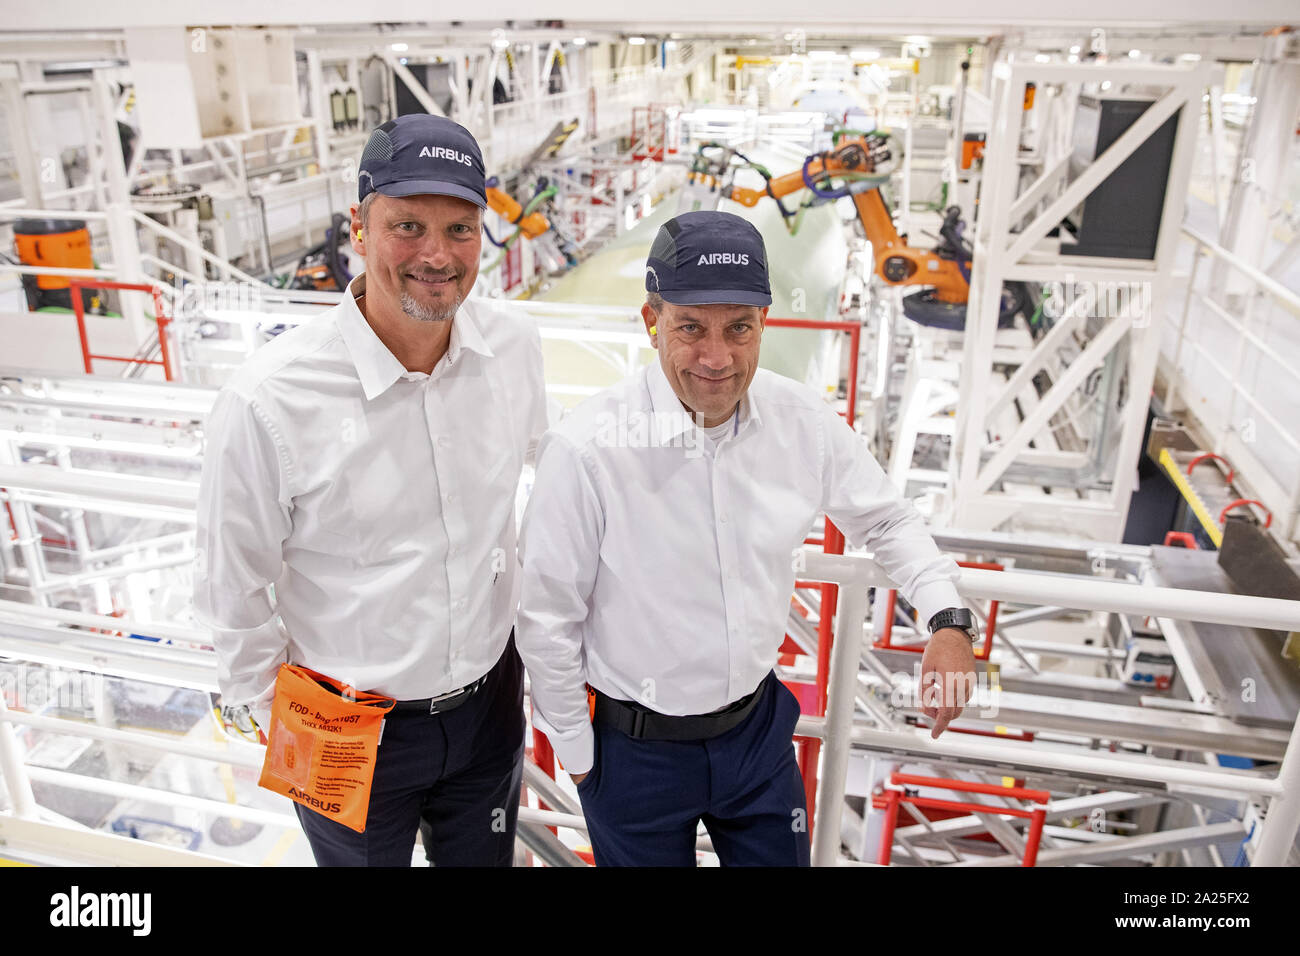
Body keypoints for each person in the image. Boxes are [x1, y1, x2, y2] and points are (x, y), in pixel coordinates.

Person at [516, 210, 977, 867]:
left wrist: (948, 619)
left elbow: (887, 519)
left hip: (756, 738)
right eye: (690, 328)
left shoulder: (802, 423)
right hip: (632, 753)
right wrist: (580, 755)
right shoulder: (588, 451)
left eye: (739, 328)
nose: (717, 357)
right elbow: (546, 616)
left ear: (766, 322)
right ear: (653, 324)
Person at [194, 115, 548, 867]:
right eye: (407, 225)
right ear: (358, 227)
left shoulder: (514, 352)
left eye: (460, 229)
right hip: (337, 725)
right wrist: (282, 721)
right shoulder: (270, 400)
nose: (436, 255)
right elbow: (233, 585)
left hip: (488, 706)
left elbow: (551, 491)